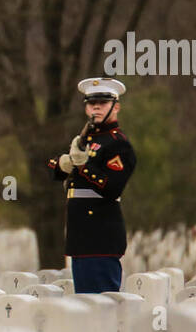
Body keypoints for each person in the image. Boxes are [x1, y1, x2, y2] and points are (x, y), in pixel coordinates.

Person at [46, 77, 136, 293]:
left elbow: (112, 187)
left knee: (102, 305)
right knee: (86, 305)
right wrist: (63, 163)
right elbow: (52, 170)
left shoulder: (118, 143)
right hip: (80, 236)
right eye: (91, 102)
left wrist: (83, 165)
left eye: (103, 102)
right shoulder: (84, 139)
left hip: (100, 235)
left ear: (116, 107)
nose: (96, 106)